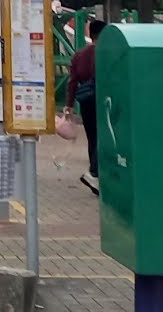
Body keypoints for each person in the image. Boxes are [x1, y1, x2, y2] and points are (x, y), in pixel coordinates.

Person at [65, 19, 106, 195]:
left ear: (90, 34)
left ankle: (94, 175)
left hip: (85, 100)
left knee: (92, 137)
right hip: (103, 98)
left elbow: (72, 81)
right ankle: (94, 173)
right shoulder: (105, 53)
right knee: (104, 135)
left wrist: (69, 105)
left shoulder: (79, 55)